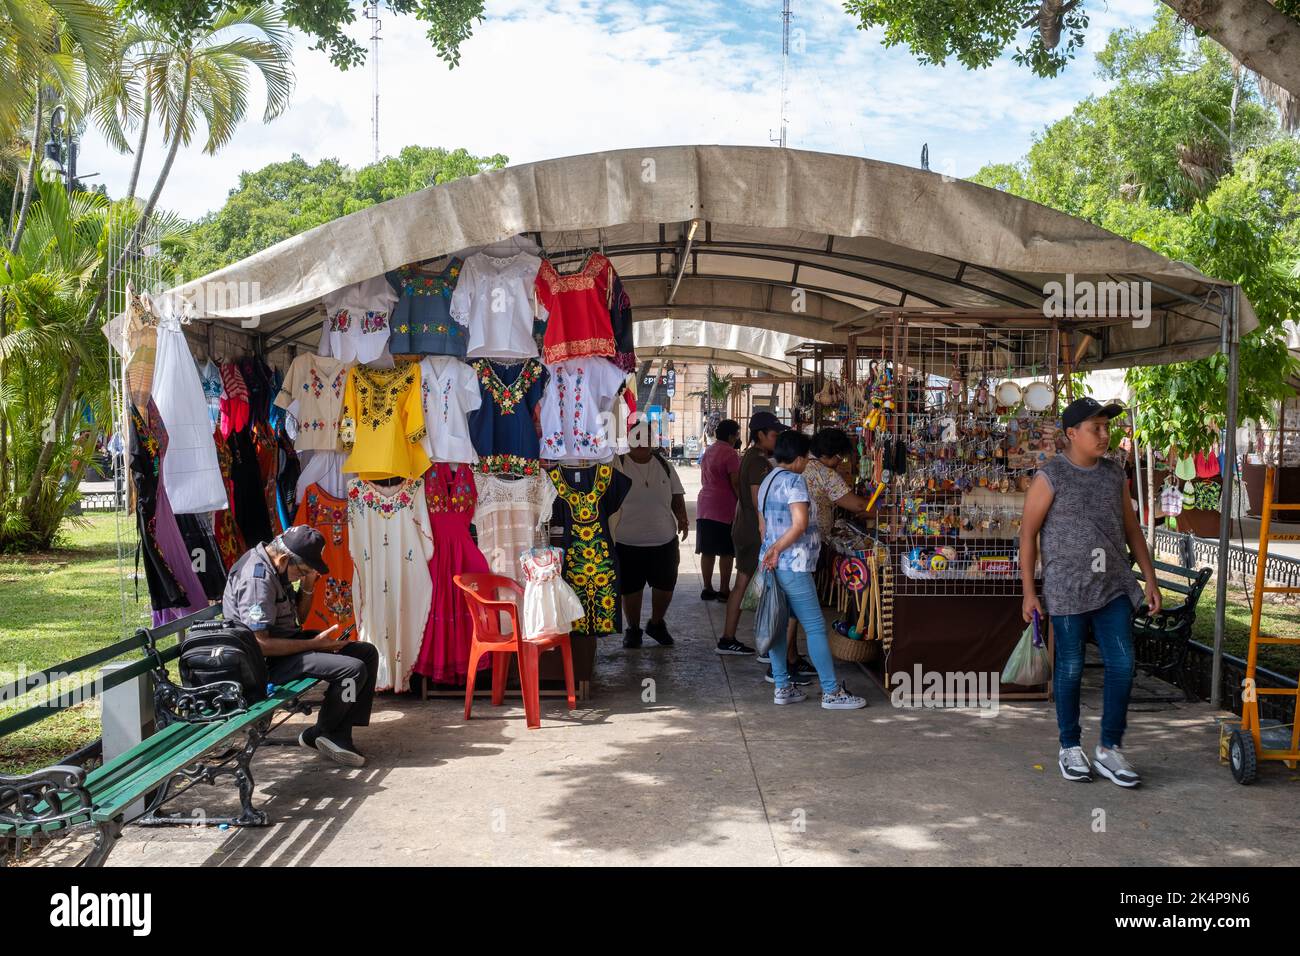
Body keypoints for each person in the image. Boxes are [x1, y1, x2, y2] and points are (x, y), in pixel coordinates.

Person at [1020, 397, 1160, 788]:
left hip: (1113, 585)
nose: (1104, 434)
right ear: (1071, 434)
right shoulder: (1051, 477)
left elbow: (1132, 530)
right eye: (1095, 428)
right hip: (1067, 589)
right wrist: (1030, 593)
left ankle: (1109, 748)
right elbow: (1027, 536)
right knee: (1070, 666)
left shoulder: (1115, 475)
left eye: (1106, 427)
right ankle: (1069, 745)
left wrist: (1149, 578)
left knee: (1122, 664)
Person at [222, 526, 378, 767]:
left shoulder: (276, 566)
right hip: (263, 664)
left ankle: (337, 733)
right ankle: (324, 732)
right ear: (285, 559)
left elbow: (300, 619)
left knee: (366, 654)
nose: (301, 576)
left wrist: (307, 585)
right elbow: (261, 644)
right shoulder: (258, 579)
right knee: (353, 669)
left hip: (287, 648)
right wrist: (314, 645)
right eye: (302, 570)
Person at [758, 430, 867, 709]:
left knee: (779, 625)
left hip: (772, 564)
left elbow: (763, 527)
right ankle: (831, 692)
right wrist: (778, 550)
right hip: (792, 563)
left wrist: (770, 550)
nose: (808, 462)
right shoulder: (794, 481)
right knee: (816, 627)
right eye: (805, 456)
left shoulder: (767, 480)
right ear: (796, 457)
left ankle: (782, 686)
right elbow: (799, 524)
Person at [614, 425, 690, 648]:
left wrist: (683, 519)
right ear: (629, 440)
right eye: (637, 438)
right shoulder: (618, 464)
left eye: (647, 437)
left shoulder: (664, 465)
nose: (642, 442)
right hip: (627, 541)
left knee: (665, 587)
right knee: (631, 589)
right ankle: (633, 629)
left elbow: (677, 494)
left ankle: (656, 623)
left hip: (664, 540)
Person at [719, 411, 787, 656]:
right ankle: (729, 638)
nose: (777, 439)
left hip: (745, 528)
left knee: (746, 582)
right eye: (774, 434)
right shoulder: (758, 461)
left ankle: (730, 638)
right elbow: (761, 502)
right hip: (752, 531)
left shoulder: (754, 457)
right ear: (761, 435)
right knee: (746, 583)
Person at [696, 419, 741, 602]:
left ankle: (707, 588)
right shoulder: (730, 454)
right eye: (737, 434)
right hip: (724, 506)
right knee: (726, 551)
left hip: (705, 504)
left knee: (707, 550)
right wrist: (743, 502)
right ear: (731, 436)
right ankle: (724, 590)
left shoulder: (709, 451)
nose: (738, 438)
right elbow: (735, 483)